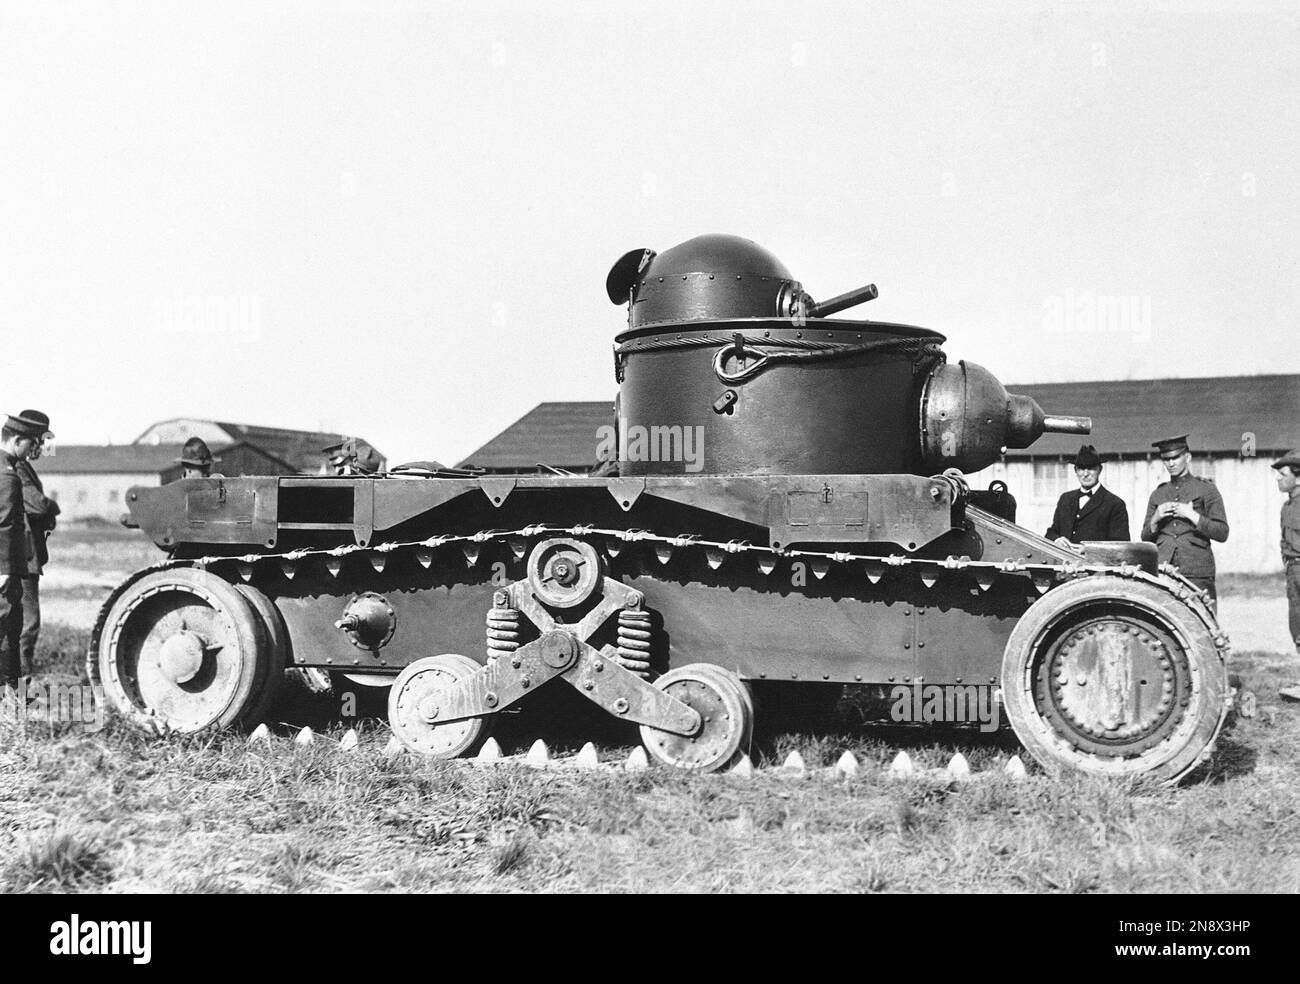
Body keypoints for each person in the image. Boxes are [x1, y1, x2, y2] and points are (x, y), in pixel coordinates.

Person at [1141, 434, 1229, 607]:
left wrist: (1191, 515)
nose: (1171, 463)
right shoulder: (1158, 494)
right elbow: (1145, 537)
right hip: (1163, 571)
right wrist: (1156, 518)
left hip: (1197, 571)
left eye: (1175, 458)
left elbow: (1222, 532)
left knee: (1203, 622)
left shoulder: (1207, 490)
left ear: (1187, 457)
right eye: (1166, 459)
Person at [13, 410, 59, 680]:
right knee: (27, 622)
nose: (40, 447)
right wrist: (52, 507)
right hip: (23, 555)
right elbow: (38, 504)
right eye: (37, 442)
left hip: (21, 553)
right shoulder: (17, 468)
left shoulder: (17, 466)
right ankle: (21, 684)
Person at [0, 413, 37, 700]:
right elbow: (5, 525)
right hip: (5, 567)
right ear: (16, 441)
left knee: (12, 627)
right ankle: (11, 695)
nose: (33, 449)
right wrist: (4, 570)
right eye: (31, 442)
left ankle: (14, 694)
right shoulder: (8, 475)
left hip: (10, 565)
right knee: (8, 626)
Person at [1046, 444, 1129, 546]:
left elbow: (1120, 545)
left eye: (1090, 468)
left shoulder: (1115, 504)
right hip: (1064, 560)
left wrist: (1090, 550)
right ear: (1075, 471)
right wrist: (1057, 540)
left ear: (1100, 469)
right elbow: (1051, 532)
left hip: (1094, 562)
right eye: (1081, 468)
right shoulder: (1065, 499)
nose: (1085, 474)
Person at [1272, 450, 1300, 700]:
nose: (1278, 479)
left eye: (1283, 475)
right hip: (1293, 570)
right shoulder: (1287, 506)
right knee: (1297, 625)